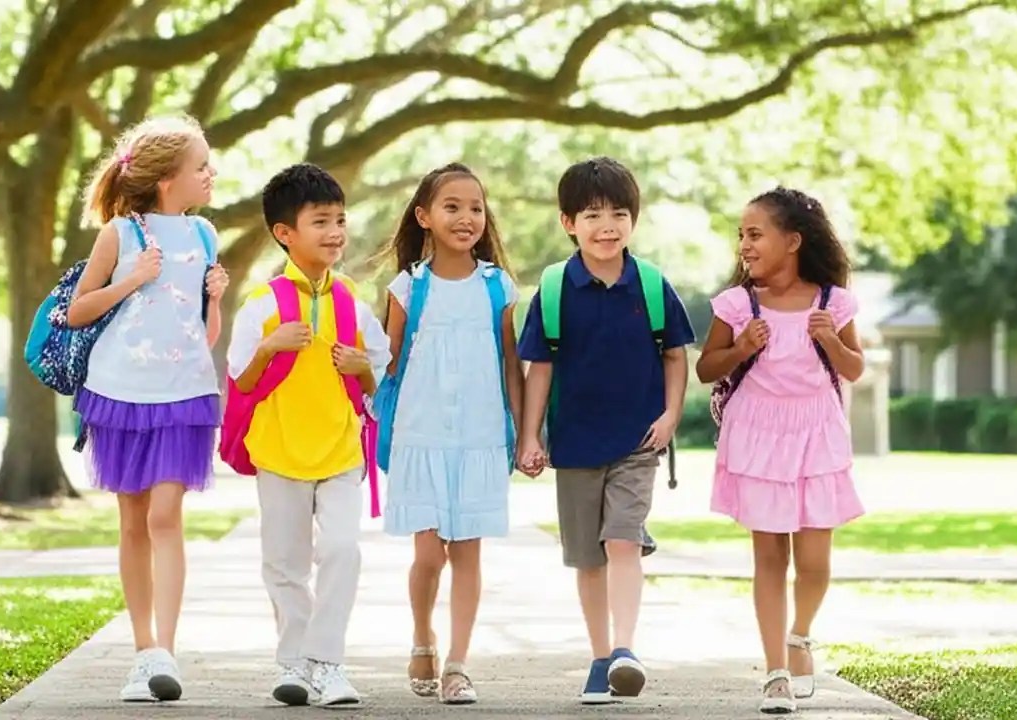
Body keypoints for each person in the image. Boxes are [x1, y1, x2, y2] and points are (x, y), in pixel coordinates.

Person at [516, 156, 694, 704]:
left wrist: (669, 416)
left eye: (619, 212)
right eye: (593, 214)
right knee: (588, 559)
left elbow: (674, 356)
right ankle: (599, 659)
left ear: (633, 220)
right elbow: (539, 367)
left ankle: (624, 649)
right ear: (569, 222)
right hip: (573, 444)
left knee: (622, 541)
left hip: (637, 442)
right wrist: (530, 436)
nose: (607, 225)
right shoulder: (552, 288)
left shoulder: (651, 283)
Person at [67, 115, 229, 703]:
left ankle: (167, 647)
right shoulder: (119, 235)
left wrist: (213, 301)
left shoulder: (206, 235)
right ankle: (144, 653)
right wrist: (132, 279)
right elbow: (79, 310)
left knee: (166, 517)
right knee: (133, 520)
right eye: (202, 166)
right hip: (119, 394)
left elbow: (202, 335)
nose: (211, 174)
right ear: (167, 179)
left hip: (185, 392)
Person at [695, 187, 865, 714]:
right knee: (770, 557)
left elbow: (854, 368)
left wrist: (832, 343)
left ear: (792, 241)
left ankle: (800, 635)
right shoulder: (736, 303)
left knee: (814, 563)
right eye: (741, 235)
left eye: (755, 234)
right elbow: (706, 368)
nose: (744, 244)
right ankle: (775, 674)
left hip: (816, 434)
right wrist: (742, 346)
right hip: (758, 434)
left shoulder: (831, 302)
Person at [225, 163, 391, 707]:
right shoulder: (263, 304)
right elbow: (241, 381)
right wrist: (271, 348)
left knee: (343, 550)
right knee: (286, 563)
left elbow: (374, 382)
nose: (335, 232)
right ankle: (294, 663)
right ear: (284, 233)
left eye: (340, 220)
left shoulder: (353, 302)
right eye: (321, 221)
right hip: (279, 452)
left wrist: (360, 366)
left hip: (341, 451)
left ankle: (327, 663)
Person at [376, 162, 522, 705]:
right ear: (425, 217)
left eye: (476, 208)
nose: (466, 217)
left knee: (467, 554)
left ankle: (459, 663)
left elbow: (511, 363)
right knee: (429, 557)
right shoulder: (407, 286)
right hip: (421, 435)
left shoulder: (497, 286)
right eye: (452, 207)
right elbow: (388, 362)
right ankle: (422, 637)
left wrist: (526, 433)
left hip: (481, 435)